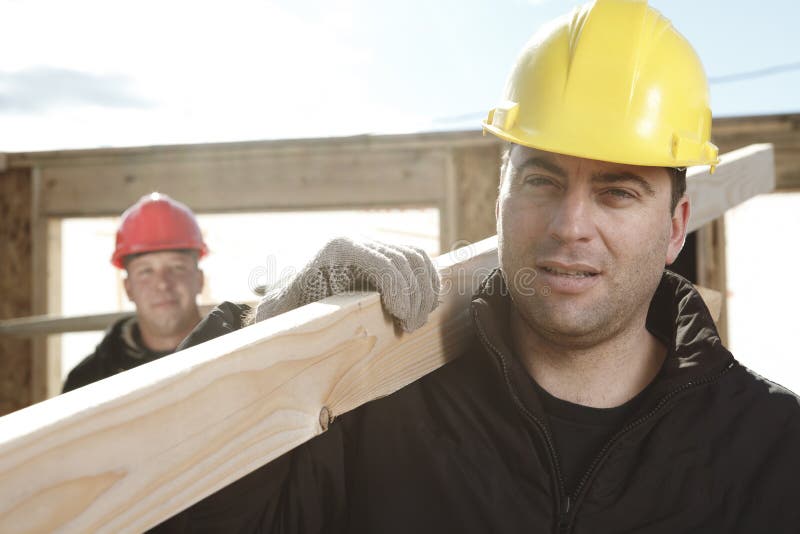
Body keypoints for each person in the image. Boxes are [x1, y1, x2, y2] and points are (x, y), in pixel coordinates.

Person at [155, 1, 800, 532]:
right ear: (500, 195)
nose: (569, 225)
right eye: (542, 181)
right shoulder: (379, 408)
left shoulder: (772, 451)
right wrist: (267, 348)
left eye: (617, 191)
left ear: (675, 226)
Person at [62, 193, 215, 392]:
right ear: (128, 288)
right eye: (146, 271)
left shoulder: (238, 360)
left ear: (199, 280)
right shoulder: (87, 383)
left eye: (177, 268)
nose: (162, 284)